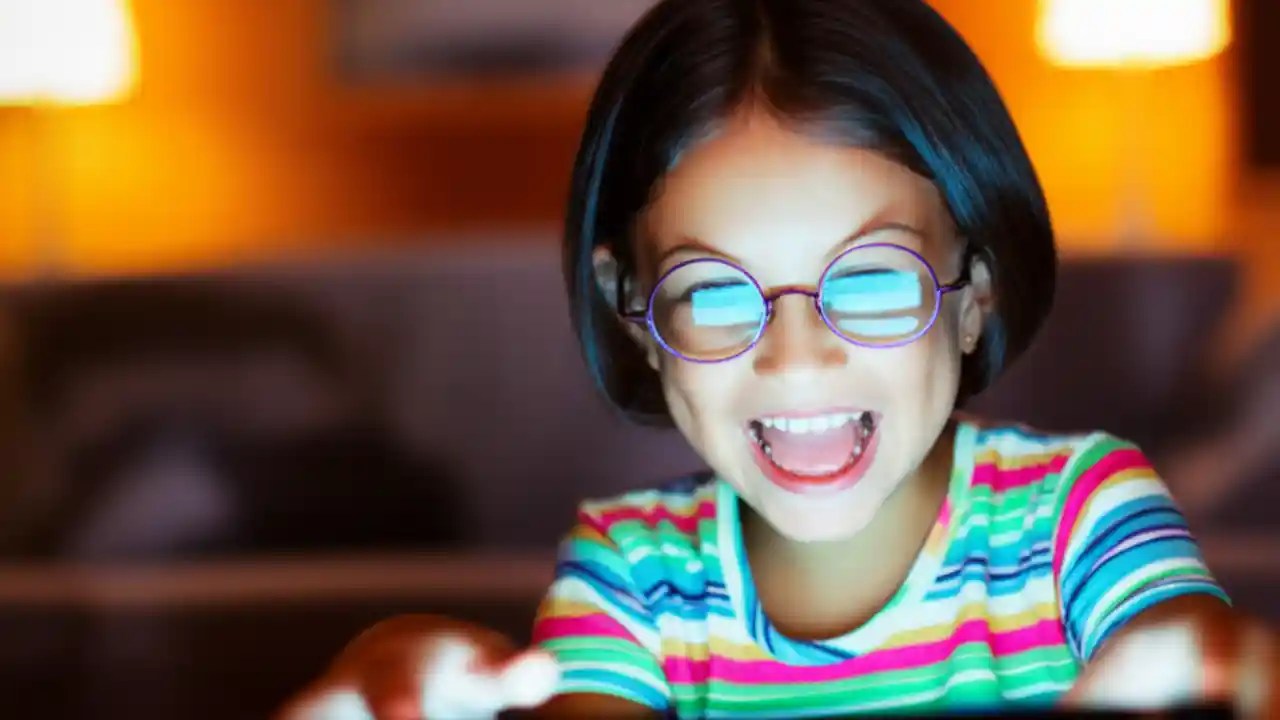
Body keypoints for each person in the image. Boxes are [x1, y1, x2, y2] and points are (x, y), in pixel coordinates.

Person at [279, 0, 1279, 717]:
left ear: (969, 297)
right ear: (634, 316)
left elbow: (1193, 658)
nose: (795, 359)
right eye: (713, 293)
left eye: (872, 281)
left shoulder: (1078, 519)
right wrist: (387, 657)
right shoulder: (632, 573)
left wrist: (1208, 666)